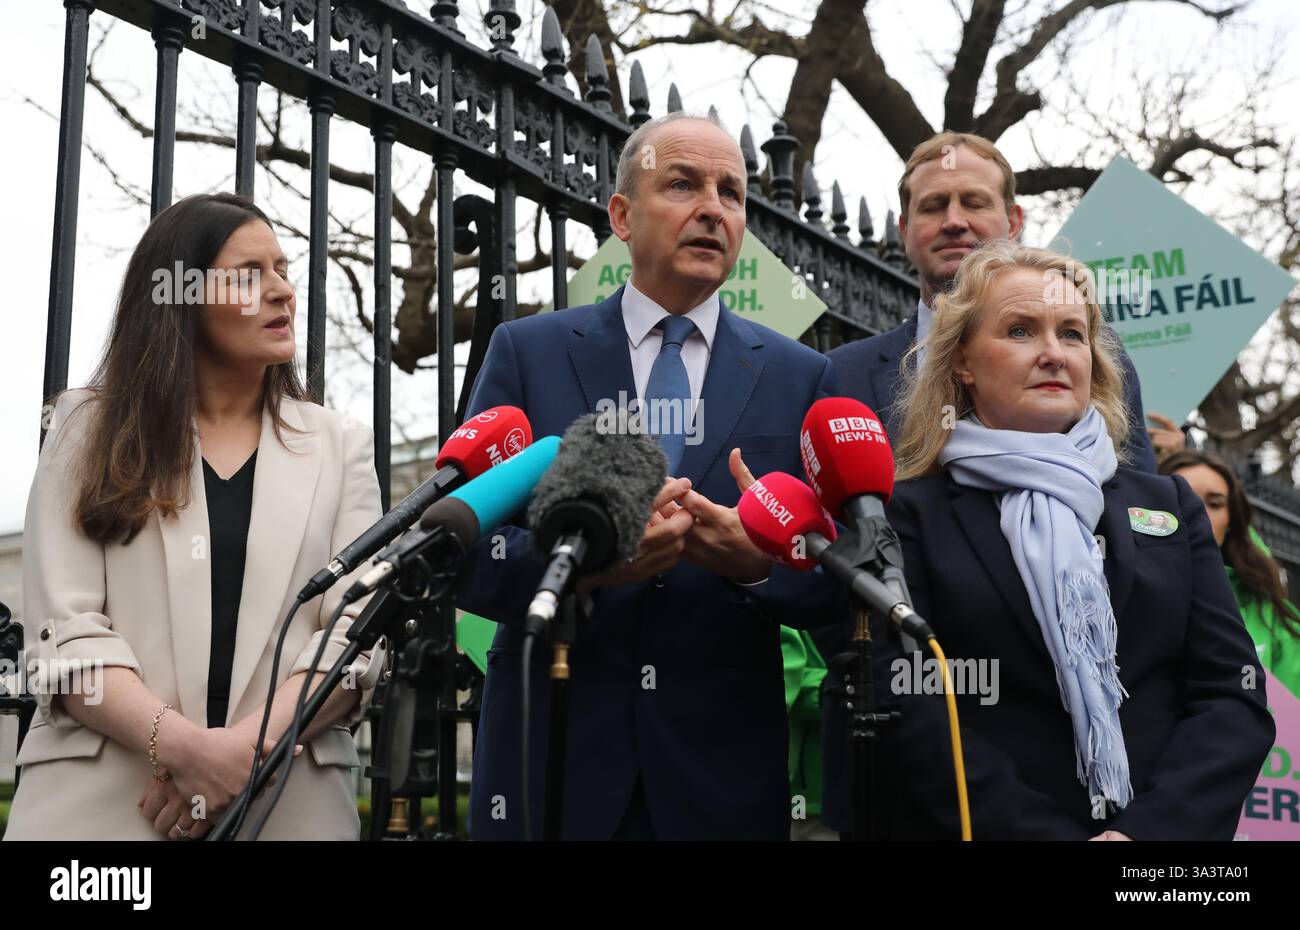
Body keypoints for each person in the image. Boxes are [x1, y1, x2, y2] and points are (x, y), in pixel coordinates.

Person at [454, 112, 845, 840]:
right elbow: (468, 553)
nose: (712, 209)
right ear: (623, 217)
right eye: (683, 184)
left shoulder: (802, 376)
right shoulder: (527, 353)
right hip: (552, 769)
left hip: (721, 784)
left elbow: (836, 583)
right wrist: (591, 568)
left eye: (731, 193)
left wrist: (755, 567)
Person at [5, 194, 385, 841]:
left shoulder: (339, 443)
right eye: (249, 274)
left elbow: (360, 632)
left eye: (283, 270)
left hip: (287, 805)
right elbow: (65, 636)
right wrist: (184, 750)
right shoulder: (83, 427)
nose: (282, 292)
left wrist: (241, 756)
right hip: (103, 812)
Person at [866, 241, 1273, 839]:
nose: (1054, 354)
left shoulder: (1167, 505)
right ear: (963, 362)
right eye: (1022, 331)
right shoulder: (908, 514)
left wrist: (1147, 836)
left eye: (1073, 334)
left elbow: (1230, 692)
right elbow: (909, 702)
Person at [817, 131, 1157, 837]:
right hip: (915, 748)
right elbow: (832, 559)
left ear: (1014, 221)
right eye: (931, 205)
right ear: (906, 228)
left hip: (1080, 739)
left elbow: (1139, 542)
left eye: (974, 201)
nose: (953, 220)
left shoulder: (1103, 361)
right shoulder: (842, 374)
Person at [1161, 449, 1300, 698]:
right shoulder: (1126, 590)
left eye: (1214, 504)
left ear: (1232, 521)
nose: (1197, 513)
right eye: (1179, 497)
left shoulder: (1263, 607)